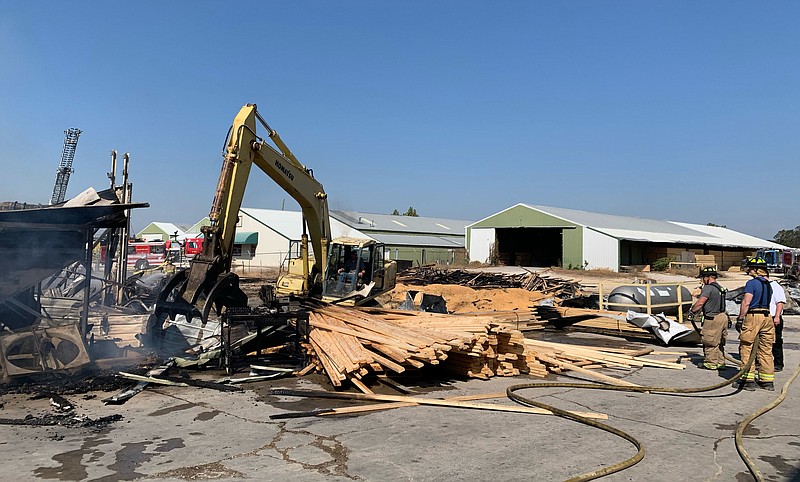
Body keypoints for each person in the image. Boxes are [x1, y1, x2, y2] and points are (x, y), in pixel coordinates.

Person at [735, 257, 775, 391]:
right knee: (766, 350)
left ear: (757, 270)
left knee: (747, 347)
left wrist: (740, 319)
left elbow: (746, 302)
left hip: (753, 316)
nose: (748, 271)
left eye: (750, 269)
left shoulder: (751, 283)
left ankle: (747, 380)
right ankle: (767, 381)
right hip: (767, 317)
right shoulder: (768, 285)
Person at [689, 267, 728, 370]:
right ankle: (720, 362)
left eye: (702, 278)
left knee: (710, 341)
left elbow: (701, 302)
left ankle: (711, 363)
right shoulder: (719, 287)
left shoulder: (708, 288)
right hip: (723, 317)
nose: (702, 280)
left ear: (707, 277)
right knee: (719, 341)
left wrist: (692, 311)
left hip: (712, 318)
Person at [765, 271, 787, 372]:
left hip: (774, 317)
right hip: (764, 317)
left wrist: (777, 316)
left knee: (776, 341)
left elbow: (780, 303)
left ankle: (778, 363)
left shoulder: (775, 287)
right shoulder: (761, 286)